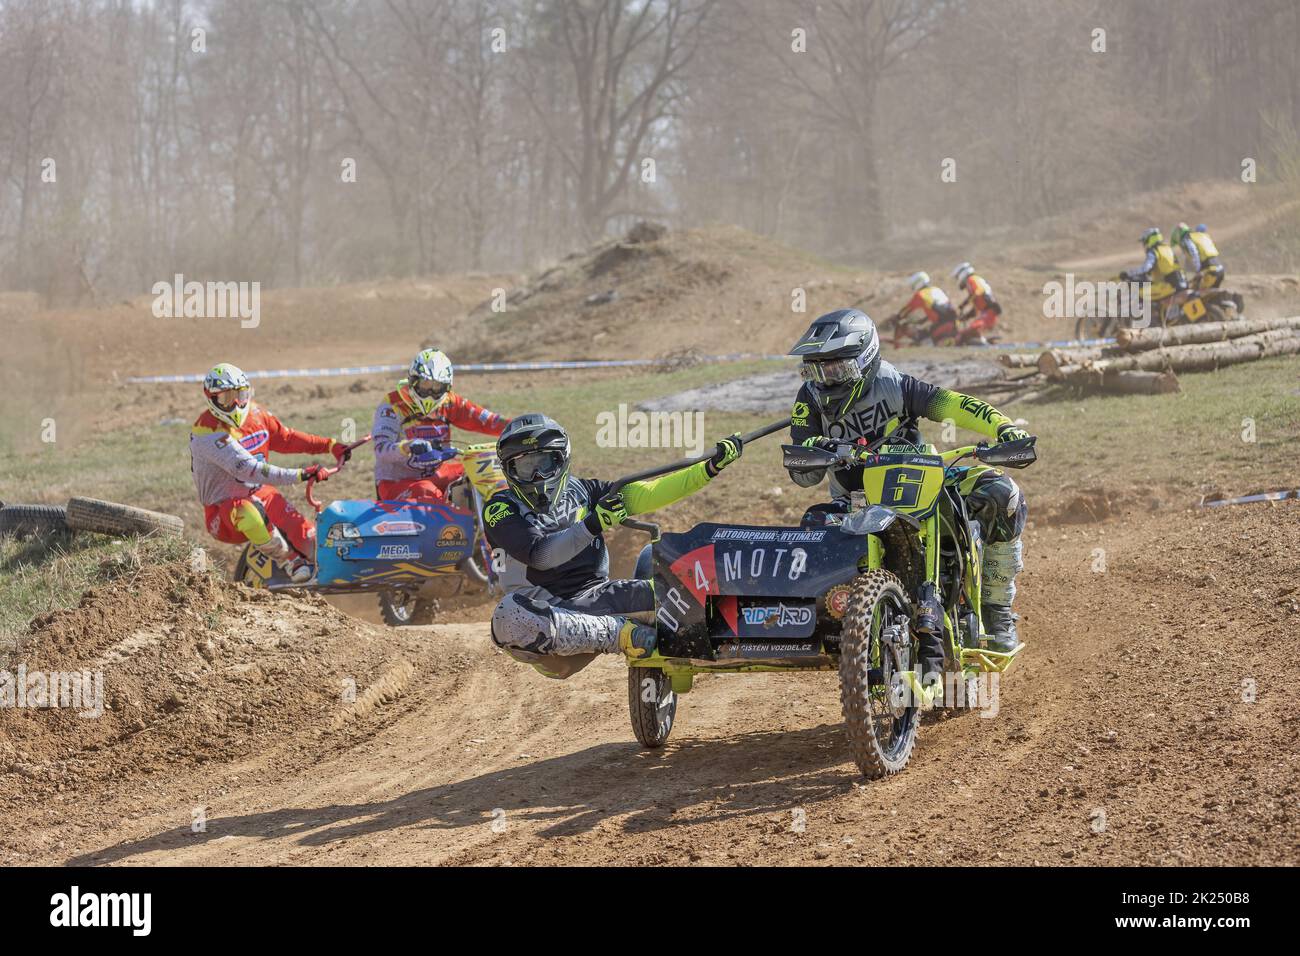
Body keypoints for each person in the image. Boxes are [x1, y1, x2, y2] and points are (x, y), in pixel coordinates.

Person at [786, 309, 1032, 678]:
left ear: (865, 359)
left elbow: (953, 403)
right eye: (816, 371)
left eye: (836, 369)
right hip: (856, 499)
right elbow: (802, 473)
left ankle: (997, 611)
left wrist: (1003, 426)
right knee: (813, 524)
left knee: (1003, 494)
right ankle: (834, 623)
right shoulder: (808, 399)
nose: (826, 380)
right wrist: (817, 448)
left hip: (923, 484)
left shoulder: (895, 385)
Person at [485, 413, 743, 679]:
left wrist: (708, 468)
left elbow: (648, 493)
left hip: (597, 599)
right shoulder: (499, 509)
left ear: (561, 459)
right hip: (544, 622)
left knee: (689, 594)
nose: (537, 475)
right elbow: (541, 556)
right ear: (509, 470)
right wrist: (593, 523)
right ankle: (621, 634)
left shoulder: (585, 491)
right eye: (525, 467)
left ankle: (760, 634)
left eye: (544, 463)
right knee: (507, 616)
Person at [190, 363, 349, 583]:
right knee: (248, 512)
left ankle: (337, 572)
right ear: (212, 399)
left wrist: (329, 445)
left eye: (240, 395)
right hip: (223, 512)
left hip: (262, 493)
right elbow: (250, 470)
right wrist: (301, 474)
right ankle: (289, 560)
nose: (236, 404)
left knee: (312, 541)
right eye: (226, 399)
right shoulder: (206, 432)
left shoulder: (256, 414)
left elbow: (286, 438)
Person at [372, 348, 509, 503]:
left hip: (436, 473)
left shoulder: (449, 402)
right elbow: (381, 449)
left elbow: (490, 421)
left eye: (437, 387)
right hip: (396, 480)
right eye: (425, 384)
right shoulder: (392, 404)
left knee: (482, 473)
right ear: (413, 381)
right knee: (426, 491)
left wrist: (520, 426)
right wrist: (406, 447)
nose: (430, 393)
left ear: (447, 387)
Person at [1121, 228, 1187, 323]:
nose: (1144, 245)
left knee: (1141, 293)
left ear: (1149, 239)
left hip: (1168, 284)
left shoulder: (1154, 251)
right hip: (1180, 282)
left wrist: (1129, 273)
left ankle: (1148, 321)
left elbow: (1146, 267)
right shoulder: (1167, 248)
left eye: (1144, 241)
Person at [895, 271, 959, 345]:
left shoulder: (920, 295)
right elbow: (939, 308)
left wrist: (897, 317)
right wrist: (923, 320)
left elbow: (907, 309)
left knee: (923, 340)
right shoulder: (936, 289)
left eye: (912, 285)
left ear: (917, 283)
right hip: (954, 322)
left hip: (943, 324)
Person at [951, 262, 1003, 343]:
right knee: (967, 333)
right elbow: (976, 308)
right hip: (986, 312)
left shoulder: (972, 279)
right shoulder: (973, 282)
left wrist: (964, 304)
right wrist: (966, 316)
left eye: (957, 277)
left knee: (971, 330)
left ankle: (984, 343)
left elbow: (978, 292)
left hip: (989, 312)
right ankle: (983, 341)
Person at [1171, 222, 1225, 291]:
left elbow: (1194, 252)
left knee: (1195, 294)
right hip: (1219, 269)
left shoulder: (1186, 239)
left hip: (1210, 271)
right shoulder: (1200, 236)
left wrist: (1198, 270)